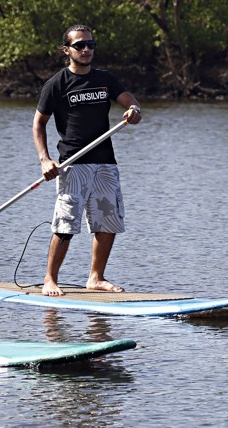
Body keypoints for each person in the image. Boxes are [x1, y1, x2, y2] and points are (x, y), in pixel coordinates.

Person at [33, 25, 143, 297]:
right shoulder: (56, 84)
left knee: (108, 222)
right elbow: (38, 124)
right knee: (65, 225)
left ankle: (96, 277)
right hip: (73, 163)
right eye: (80, 45)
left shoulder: (106, 79)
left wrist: (133, 110)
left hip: (105, 163)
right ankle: (50, 279)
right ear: (66, 50)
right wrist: (44, 160)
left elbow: (131, 102)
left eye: (90, 45)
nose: (86, 50)